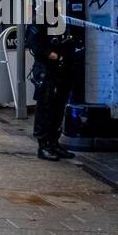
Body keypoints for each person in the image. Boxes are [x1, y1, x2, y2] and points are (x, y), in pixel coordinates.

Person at [27, 19, 77, 161]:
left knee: (58, 108)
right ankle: (43, 145)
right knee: (45, 106)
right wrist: (54, 55)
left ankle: (54, 143)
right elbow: (34, 45)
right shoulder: (38, 21)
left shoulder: (62, 20)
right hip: (46, 70)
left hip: (63, 70)